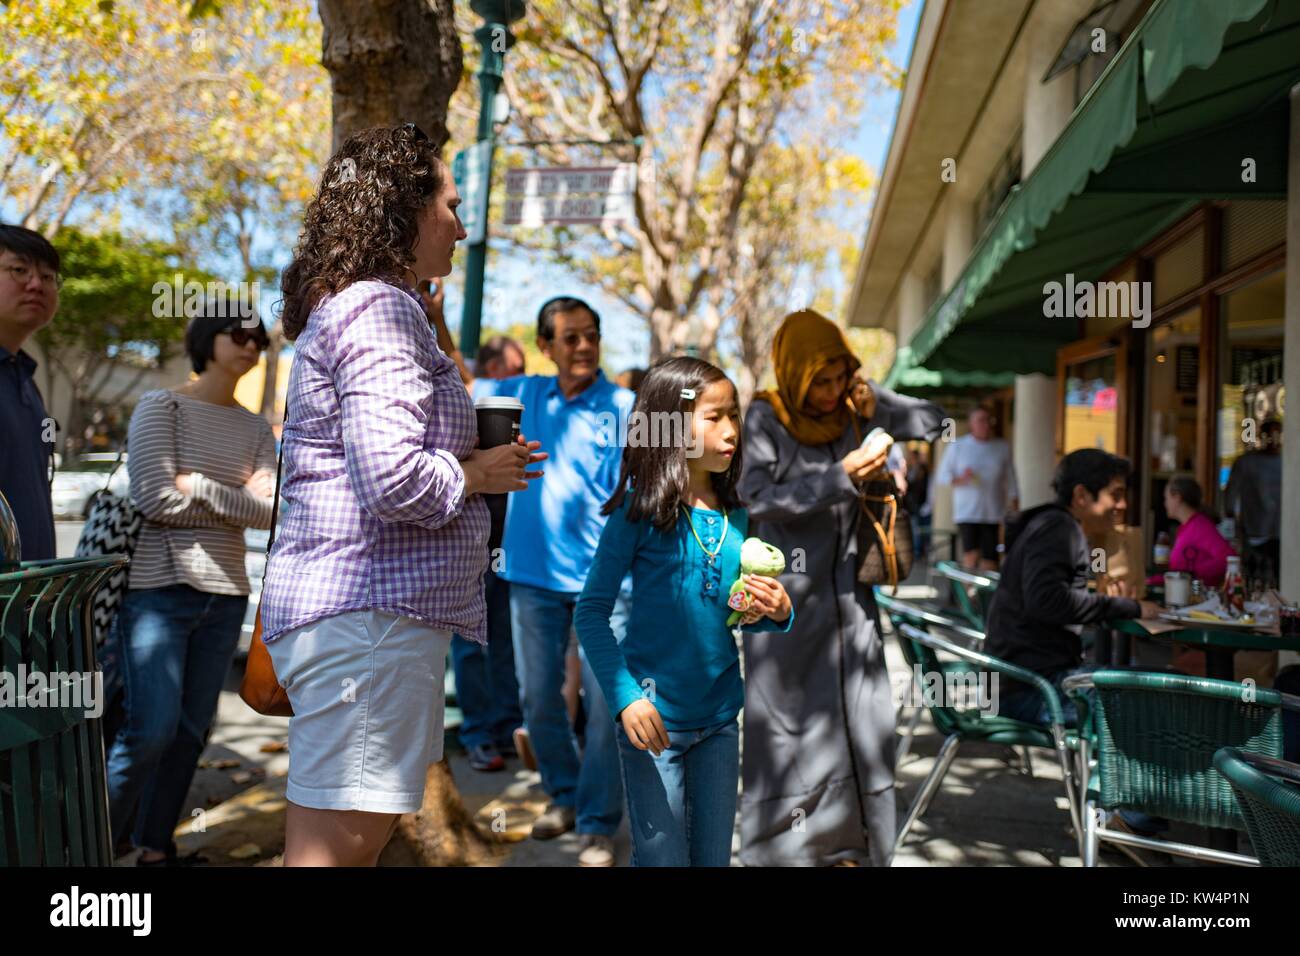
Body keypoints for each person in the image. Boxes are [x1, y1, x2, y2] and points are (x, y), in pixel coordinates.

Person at [262, 124, 545, 867]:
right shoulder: (380, 309)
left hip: (367, 628)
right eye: (449, 204)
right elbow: (391, 478)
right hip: (368, 628)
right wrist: (478, 475)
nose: (460, 222)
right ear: (402, 210)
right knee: (332, 859)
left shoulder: (363, 305)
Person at [428, 293, 634, 867]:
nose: (584, 345)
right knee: (537, 699)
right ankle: (564, 796)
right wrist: (442, 317)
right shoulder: (524, 395)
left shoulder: (625, 404)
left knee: (603, 704)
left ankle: (596, 822)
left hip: (605, 584)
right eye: (570, 337)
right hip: (531, 579)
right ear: (545, 347)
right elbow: (459, 381)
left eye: (591, 334)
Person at [737, 310, 947, 867]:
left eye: (839, 379)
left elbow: (934, 421)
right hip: (784, 606)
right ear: (795, 375)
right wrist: (841, 475)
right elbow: (756, 496)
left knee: (865, 728)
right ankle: (783, 854)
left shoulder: (855, 401)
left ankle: (856, 848)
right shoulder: (767, 415)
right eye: (819, 382)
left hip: (853, 604)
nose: (831, 394)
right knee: (788, 737)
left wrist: (880, 403)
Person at [576, 357, 794, 866]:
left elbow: (738, 607)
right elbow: (590, 613)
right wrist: (626, 699)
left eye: (734, 416)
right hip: (654, 725)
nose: (731, 431)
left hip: (720, 721)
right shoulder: (638, 511)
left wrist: (778, 609)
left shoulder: (738, 516)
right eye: (714, 417)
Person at [106, 301, 277, 865]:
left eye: (259, 338)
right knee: (148, 731)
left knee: (189, 736)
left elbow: (270, 512)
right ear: (206, 338)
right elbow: (153, 498)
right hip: (157, 592)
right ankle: (91, 846)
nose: (251, 346)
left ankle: (155, 848)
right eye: (238, 334)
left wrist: (200, 485)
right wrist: (234, 502)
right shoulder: (163, 407)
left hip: (226, 596)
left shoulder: (256, 426)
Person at [985, 449, 1162, 726]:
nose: (1123, 505)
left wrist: (1102, 601)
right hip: (1032, 691)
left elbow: (1051, 598)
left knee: (1158, 685)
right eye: (1115, 495)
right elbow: (1047, 601)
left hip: (1022, 682)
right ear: (1081, 496)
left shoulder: (1051, 524)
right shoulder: (1059, 529)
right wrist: (1129, 606)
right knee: (1168, 697)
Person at [0, 225, 60, 561]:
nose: (36, 284)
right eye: (19, 270)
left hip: (25, 601)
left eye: (49, 276)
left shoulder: (28, 382)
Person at [933, 405, 1019, 571]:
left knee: (990, 558)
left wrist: (1014, 500)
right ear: (972, 423)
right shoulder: (958, 446)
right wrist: (961, 479)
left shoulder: (1001, 447)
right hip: (967, 511)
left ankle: (986, 595)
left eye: (988, 420)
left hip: (992, 511)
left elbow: (1011, 477)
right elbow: (942, 476)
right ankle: (968, 594)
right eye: (981, 420)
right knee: (970, 555)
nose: (985, 425)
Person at [1225, 419, 1282, 588]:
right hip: (1255, 533)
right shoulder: (1246, 463)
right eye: (1269, 435)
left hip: (1283, 533)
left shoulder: (1289, 461)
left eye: (1277, 435)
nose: (1273, 440)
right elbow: (1230, 499)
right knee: (1256, 583)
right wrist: (1235, 527)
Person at [1152, 476, 1235, 588]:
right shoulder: (1187, 527)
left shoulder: (1200, 526)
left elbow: (1229, 558)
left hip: (1198, 598)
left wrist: (1192, 574)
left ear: (1177, 497)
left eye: (1166, 498)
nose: (1165, 503)